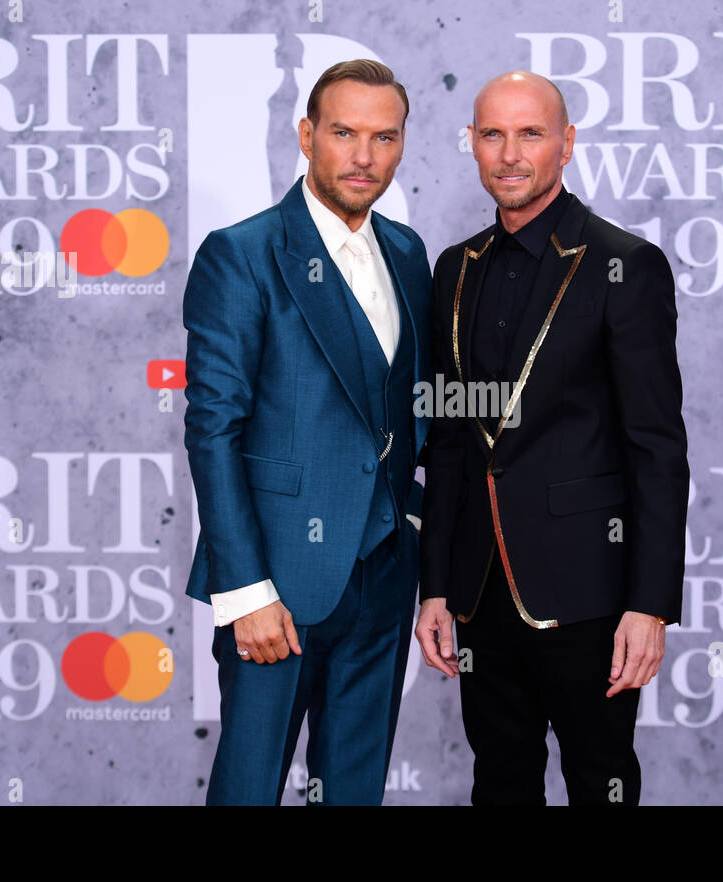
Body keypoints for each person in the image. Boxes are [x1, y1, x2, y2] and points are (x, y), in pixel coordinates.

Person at [414, 71, 689, 806]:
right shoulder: (454, 270)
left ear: (566, 144)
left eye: (530, 133)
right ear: (471, 144)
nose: (510, 154)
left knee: (600, 780)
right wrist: (435, 586)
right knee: (500, 783)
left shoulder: (622, 265)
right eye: (492, 134)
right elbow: (448, 441)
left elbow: (656, 448)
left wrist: (651, 604)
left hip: (590, 591)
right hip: (478, 592)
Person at [183, 59, 431, 805]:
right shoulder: (243, 253)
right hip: (276, 588)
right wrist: (245, 590)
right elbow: (213, 429)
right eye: (344, 133)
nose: (364, 156)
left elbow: (412, 408)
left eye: (384, 137)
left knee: (353, 793)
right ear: (306, 136)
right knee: (250, 791)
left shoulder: (408, 253)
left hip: (383, 578)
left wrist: (415, 529)